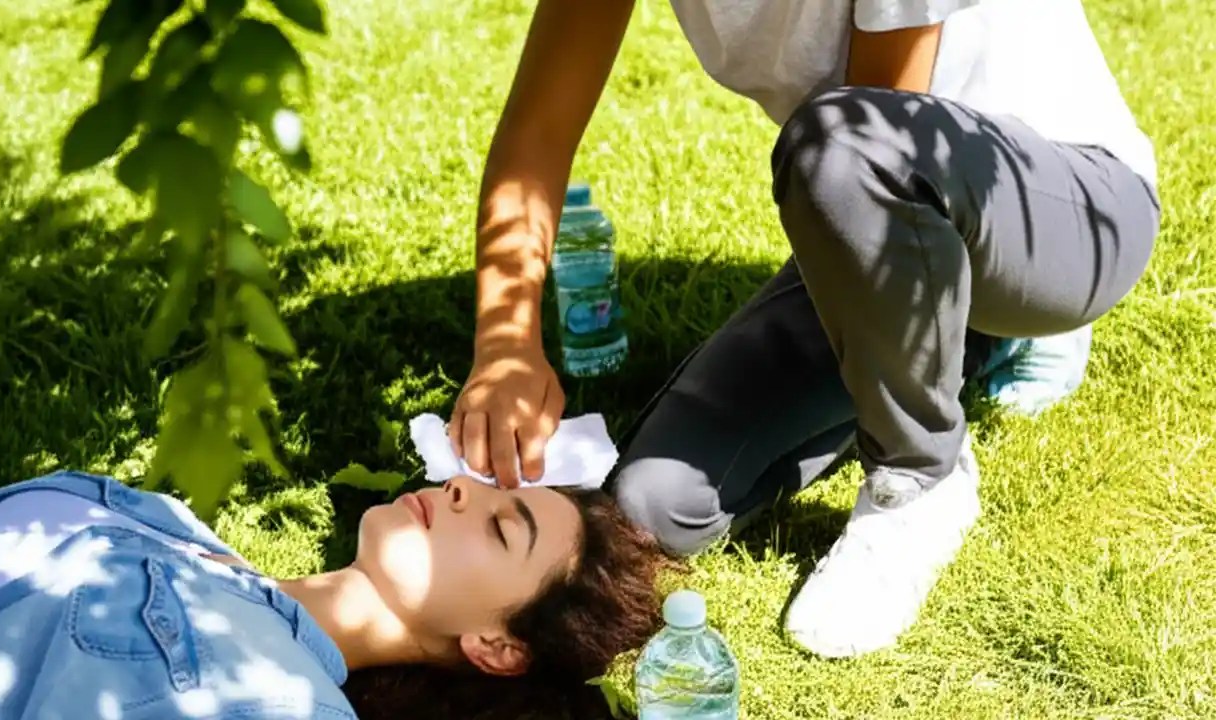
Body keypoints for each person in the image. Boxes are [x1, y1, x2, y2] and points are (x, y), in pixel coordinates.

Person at [450, 0, 1159, 659]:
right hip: (880, 215)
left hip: (1064, 202)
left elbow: (875, 129)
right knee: (654, 505)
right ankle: (961, 333)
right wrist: (505, 346)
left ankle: (921, 475)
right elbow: (539, 131)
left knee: (842, 144)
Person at [0, 471, 666, 719]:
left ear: (497, 647)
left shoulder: (276, 698)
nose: (460, 488)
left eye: (503, 528)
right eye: (487, 487)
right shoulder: (173, 522)